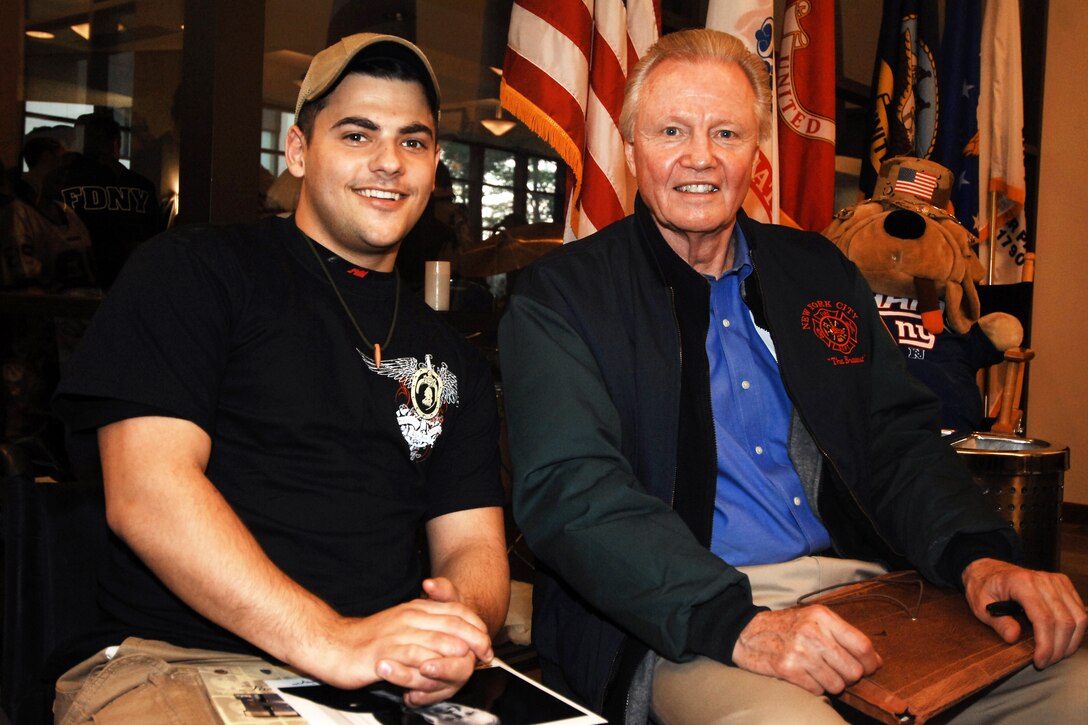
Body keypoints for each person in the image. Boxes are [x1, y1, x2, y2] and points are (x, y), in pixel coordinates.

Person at [498, 29, 1087, 724]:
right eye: (671, 131)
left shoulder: (819, 271)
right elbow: (574, 493)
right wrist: (738, 623)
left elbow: (896, 441)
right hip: (681, 620)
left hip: (871, 593)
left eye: (726, 132)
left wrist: (978, 556)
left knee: (1074, 688)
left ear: (755, 154)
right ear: (630, 149)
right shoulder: (563, 297)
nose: (700, 156)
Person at [52, 33, 509, 721]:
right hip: (178, 662)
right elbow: (147, 492)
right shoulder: (195, 272)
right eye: (357, 134)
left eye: (413, 142)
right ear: (298, 151)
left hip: (378, 671)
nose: (389, 161)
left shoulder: (454, 357)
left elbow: (473, 544)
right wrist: (332, 639)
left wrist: (454, 630)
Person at [55, 111, 162, 287]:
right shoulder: (141, 187)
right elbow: (152, 239)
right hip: (129, 279)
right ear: (117, 143)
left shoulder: (67, 182)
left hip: (85, 280)